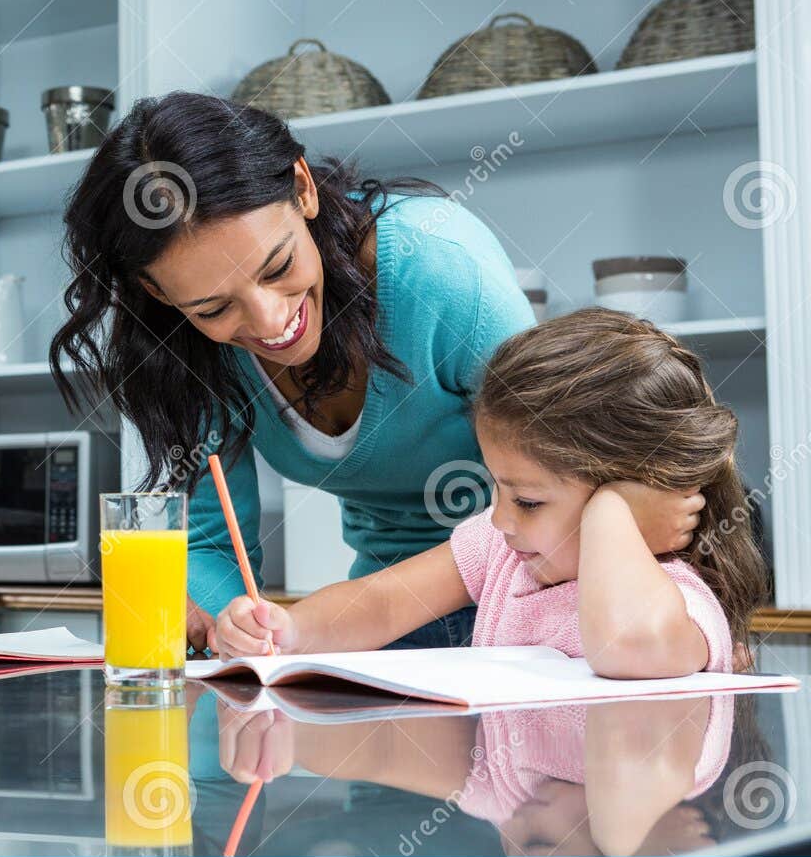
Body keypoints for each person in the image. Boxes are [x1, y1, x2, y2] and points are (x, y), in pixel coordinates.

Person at [51, 91, 699, 648]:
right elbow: (206, 541)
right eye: (214, 306)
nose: (270, 320)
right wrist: (243, 627)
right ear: (161, 294)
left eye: (278, 267)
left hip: (541, 602)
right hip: (373, 625)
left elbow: (579, 475)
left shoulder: (440, 275)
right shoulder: (184, 348)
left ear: (302, 188)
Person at [215, 309, 771, 678]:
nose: (500, 519)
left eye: (527, 500)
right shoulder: (505, 554)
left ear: (635, 497)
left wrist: (611, 515)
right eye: (497, 490)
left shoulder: (679, 600)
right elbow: (382, 604)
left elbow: (627, 646)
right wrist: (291, 630)